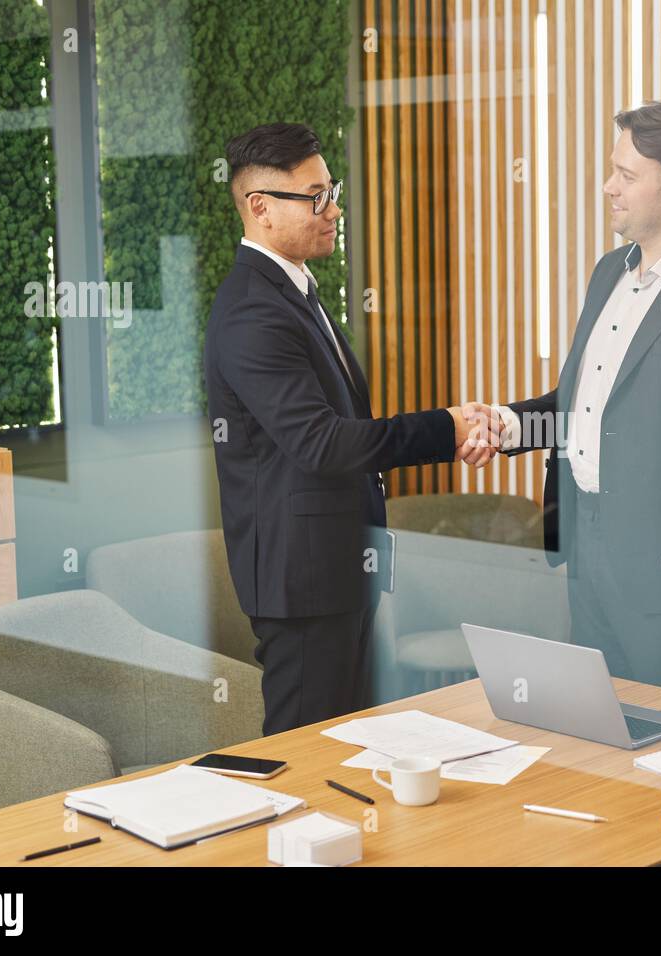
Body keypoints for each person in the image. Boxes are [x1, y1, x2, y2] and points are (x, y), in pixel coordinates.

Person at [463, 101, 661, 700]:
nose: (609, 187)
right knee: (596, 745)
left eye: (627, 175)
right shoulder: (607, 272)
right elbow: (588, 407)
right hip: (585, 560)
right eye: (612, 170)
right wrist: (510, 425)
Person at [204, 122, 497, 736]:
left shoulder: (295, 292)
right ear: (260, 208)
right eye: (315, 198)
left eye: (330, 191)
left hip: (338, 568)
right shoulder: (253, 309)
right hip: (302, 582)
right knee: (307, 758)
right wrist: (445, 428)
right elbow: (322, 442)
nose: (333, 210)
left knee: (347, 748)